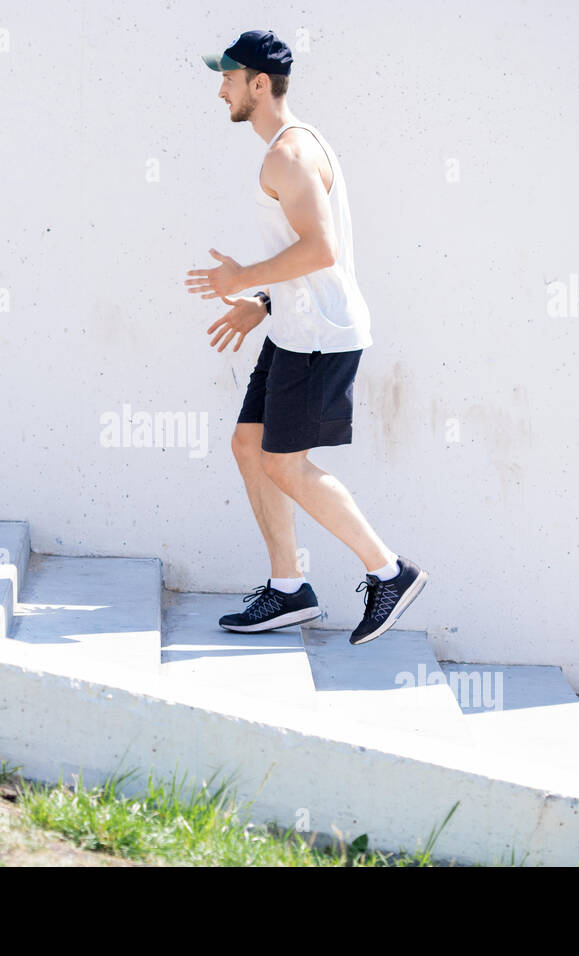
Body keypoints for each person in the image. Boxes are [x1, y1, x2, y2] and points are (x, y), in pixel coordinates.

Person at [185, 29, 428, 645]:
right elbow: (306, 253)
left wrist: (242, 278)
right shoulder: (294, 146)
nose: (221, 91)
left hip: (320, 336)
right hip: (296, 328)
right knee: (249, 446)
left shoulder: (287, 155)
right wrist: (262, 302)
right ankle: (290, 589)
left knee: (284, 465)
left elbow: (321, 250)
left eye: (229, 79)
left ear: (259, 85)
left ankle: (388, 572)